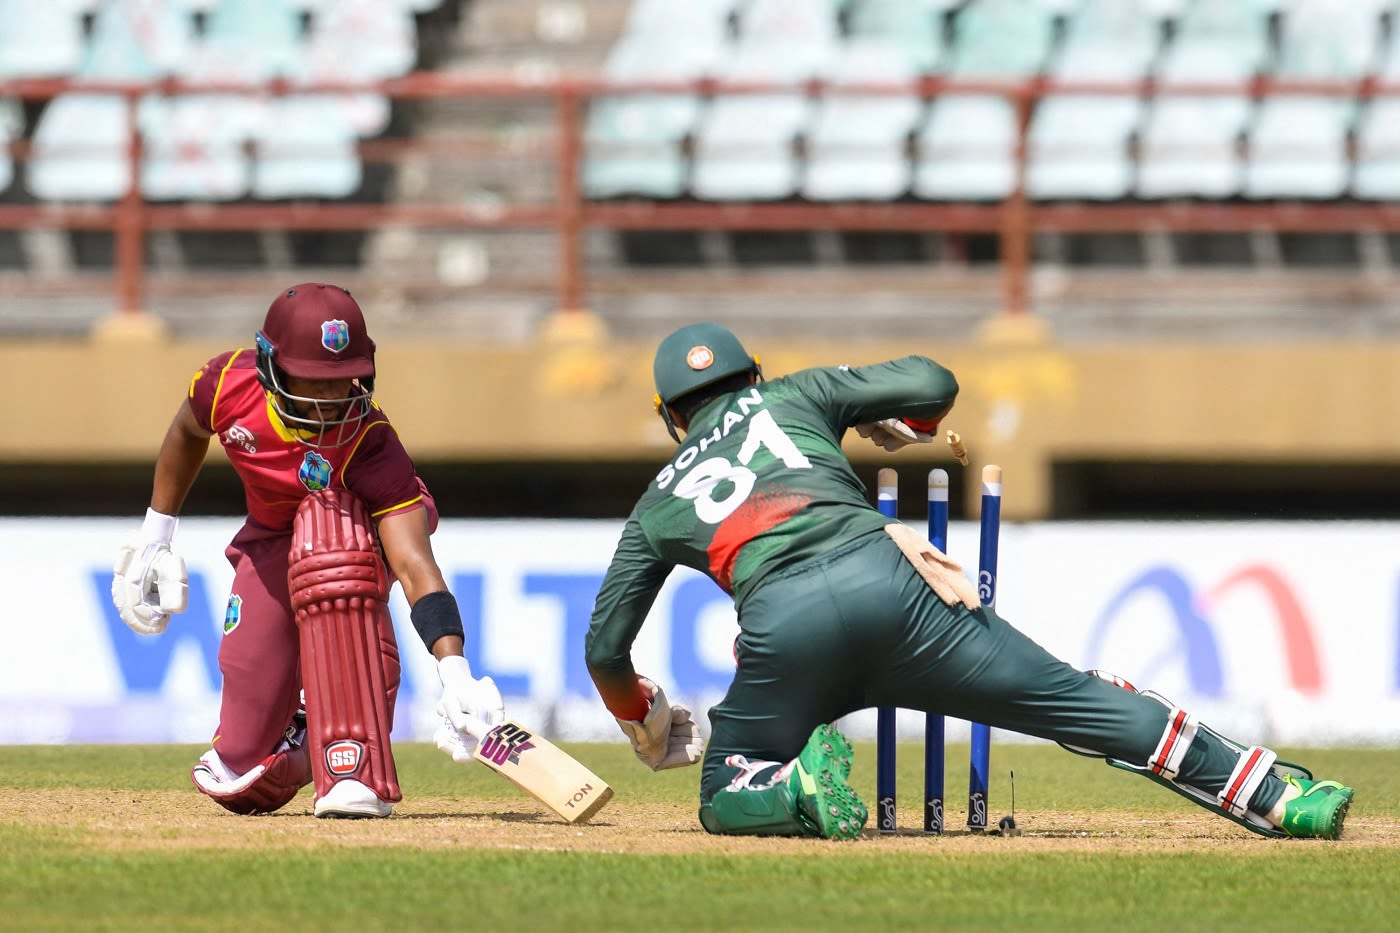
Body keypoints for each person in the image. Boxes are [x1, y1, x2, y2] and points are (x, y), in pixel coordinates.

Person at [585, 322, 1355, 840]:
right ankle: (1280, 797)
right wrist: (899, 424)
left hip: (787, 635)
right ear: (753, 374)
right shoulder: (792, 396)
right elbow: (932, 377)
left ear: (670, 419)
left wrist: (642, 712)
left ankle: (792, 793)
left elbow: (604, 648)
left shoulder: (658, 501)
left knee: (724, 785)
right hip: (899, 594)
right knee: (1077, 699)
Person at [111, 283, 505, 818]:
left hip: (358, 530)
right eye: (314, 382)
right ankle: (302, 733)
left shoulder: (370, 444)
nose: (330, 400)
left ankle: (351, 759)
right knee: (240, 764)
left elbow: (415, 564)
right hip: (273, 537)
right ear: (271, 367)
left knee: (329, 529)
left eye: (343, 383)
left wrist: (454, 670)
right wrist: (155, 536)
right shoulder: (226, 382)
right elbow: (186, 430)